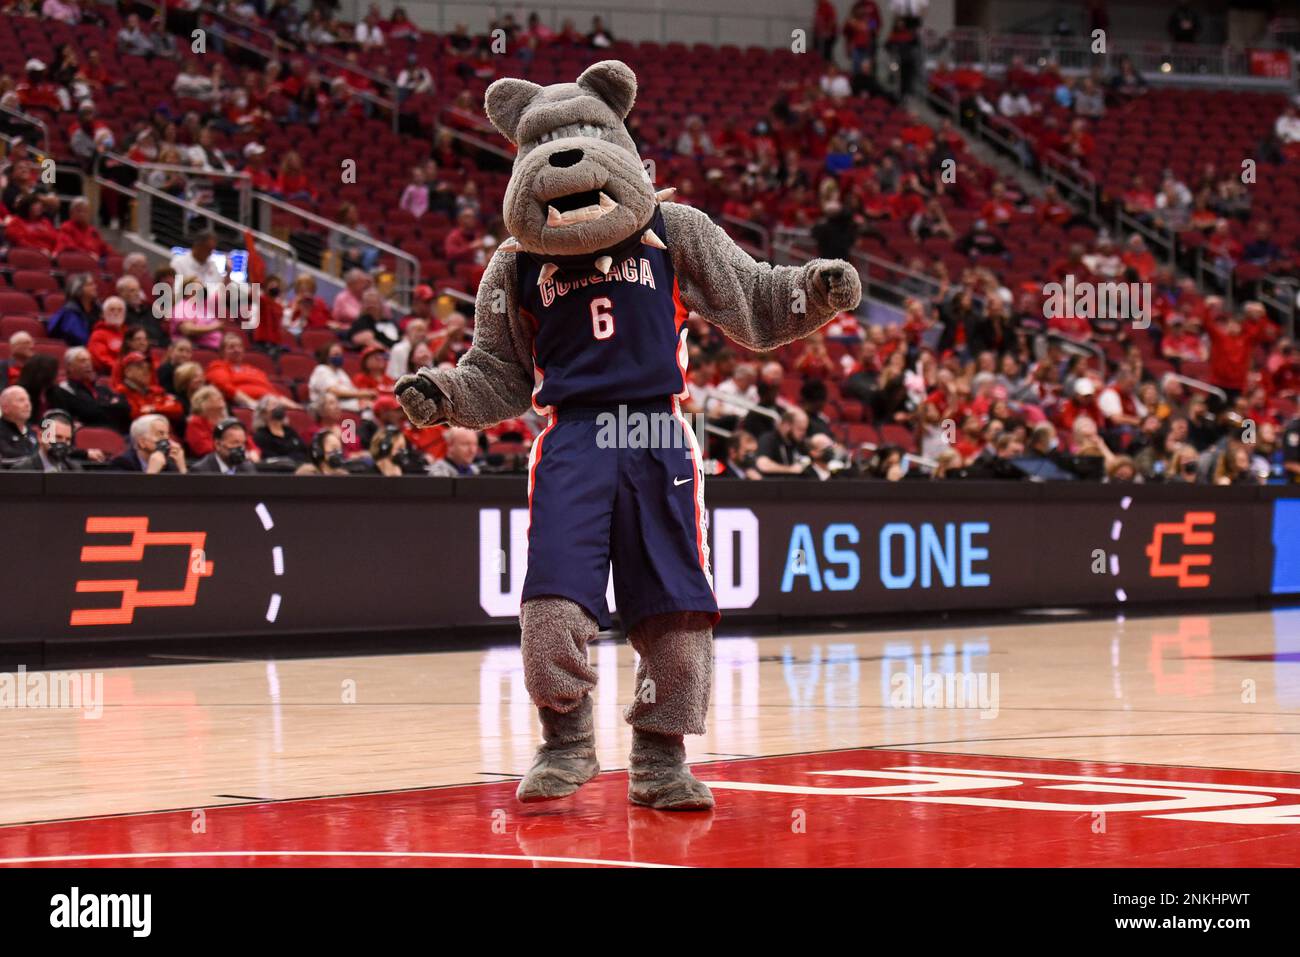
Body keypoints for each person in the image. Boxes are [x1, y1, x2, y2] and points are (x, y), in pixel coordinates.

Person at [46, 347, 131, 432]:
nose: (88, 364)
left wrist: (98, 407)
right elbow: (90, 411)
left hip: (113, 434)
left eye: (89, 360)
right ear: (70, 366)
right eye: (82, 361)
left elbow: (125, 406)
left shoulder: (102, 388)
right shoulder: (63, 390)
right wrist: (110, 405)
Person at [9, 410, 82, 472]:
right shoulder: (22, 470)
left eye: (67, 439)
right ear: (41, 436)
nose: (63, 443)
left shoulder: (74, 469)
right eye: (58, 437)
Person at [253, 394, 309, 464]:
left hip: (300, 465)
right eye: (274, 404)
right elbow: (270, 459)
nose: (278, 407)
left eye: (279, 405)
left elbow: (303, 450)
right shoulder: (261, 435)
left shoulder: (290, 431)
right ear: (263, 413)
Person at [46, 273, 100, 346]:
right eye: (90, 284)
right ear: (79, 288)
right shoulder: (70, 312)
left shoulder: (98, 308)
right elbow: (79, 338)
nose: (95, 287)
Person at [755, 408, 811, 475]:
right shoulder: (769, 439)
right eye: (800, 429)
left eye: (805, 430)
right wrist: (790, 469)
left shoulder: (798, 443)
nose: (803, 433)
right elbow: (763, 465)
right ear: (786, 425)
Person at [192, 418, 258, 474]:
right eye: (235, 443)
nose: (240, 448)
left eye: (243, 443)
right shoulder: (201, 470)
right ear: (217, 444)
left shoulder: (248, 468)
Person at [0, 384, 38, 461]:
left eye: (28, 400)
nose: (27, 404)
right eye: (21, 400)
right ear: (5, 407)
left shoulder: (34, 432)